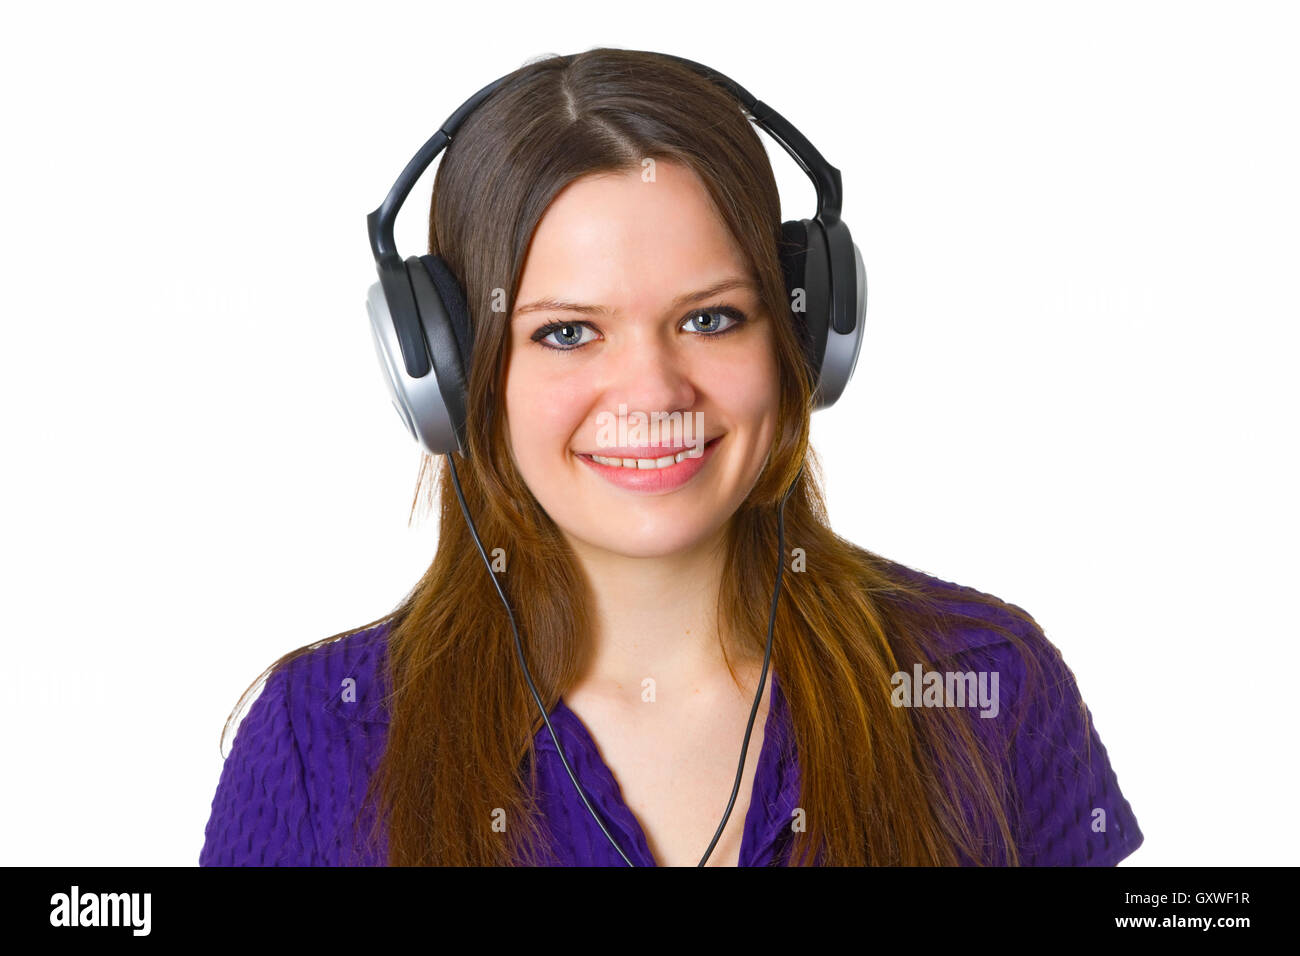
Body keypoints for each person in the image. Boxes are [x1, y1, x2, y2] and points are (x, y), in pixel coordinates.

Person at [199, 47, 1143, 867]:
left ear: (799, 342)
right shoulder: (321, 736)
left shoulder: (983, 685)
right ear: (452, 374)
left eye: (710, 318)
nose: (653, 392)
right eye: (568, 332)